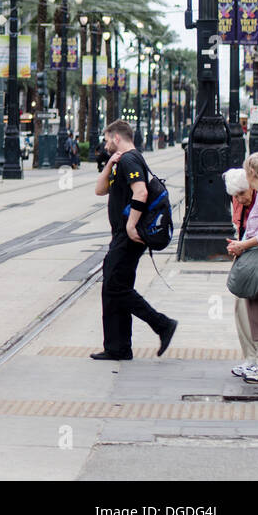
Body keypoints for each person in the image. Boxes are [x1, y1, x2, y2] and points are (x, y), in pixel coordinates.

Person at [92, 119, 178, 360]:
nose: (106, 143)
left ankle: (162, 325)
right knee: (113, 288)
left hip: (128, 236)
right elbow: (99, 190)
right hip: (121, 236)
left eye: (108, 139)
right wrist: (109, 164)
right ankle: (118, 348)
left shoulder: (130, 159)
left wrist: (131, 225)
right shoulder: (121, 161)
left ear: (117, 138)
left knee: (115, 287)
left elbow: (140, 191)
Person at [224, 160, 258, 382]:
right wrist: (239, 245)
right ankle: (251, 359)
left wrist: (244, 245)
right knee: (242, 308)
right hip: (252, 258)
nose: (239, 200)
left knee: (256, 313)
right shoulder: (248, 199)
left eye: (241, 194)